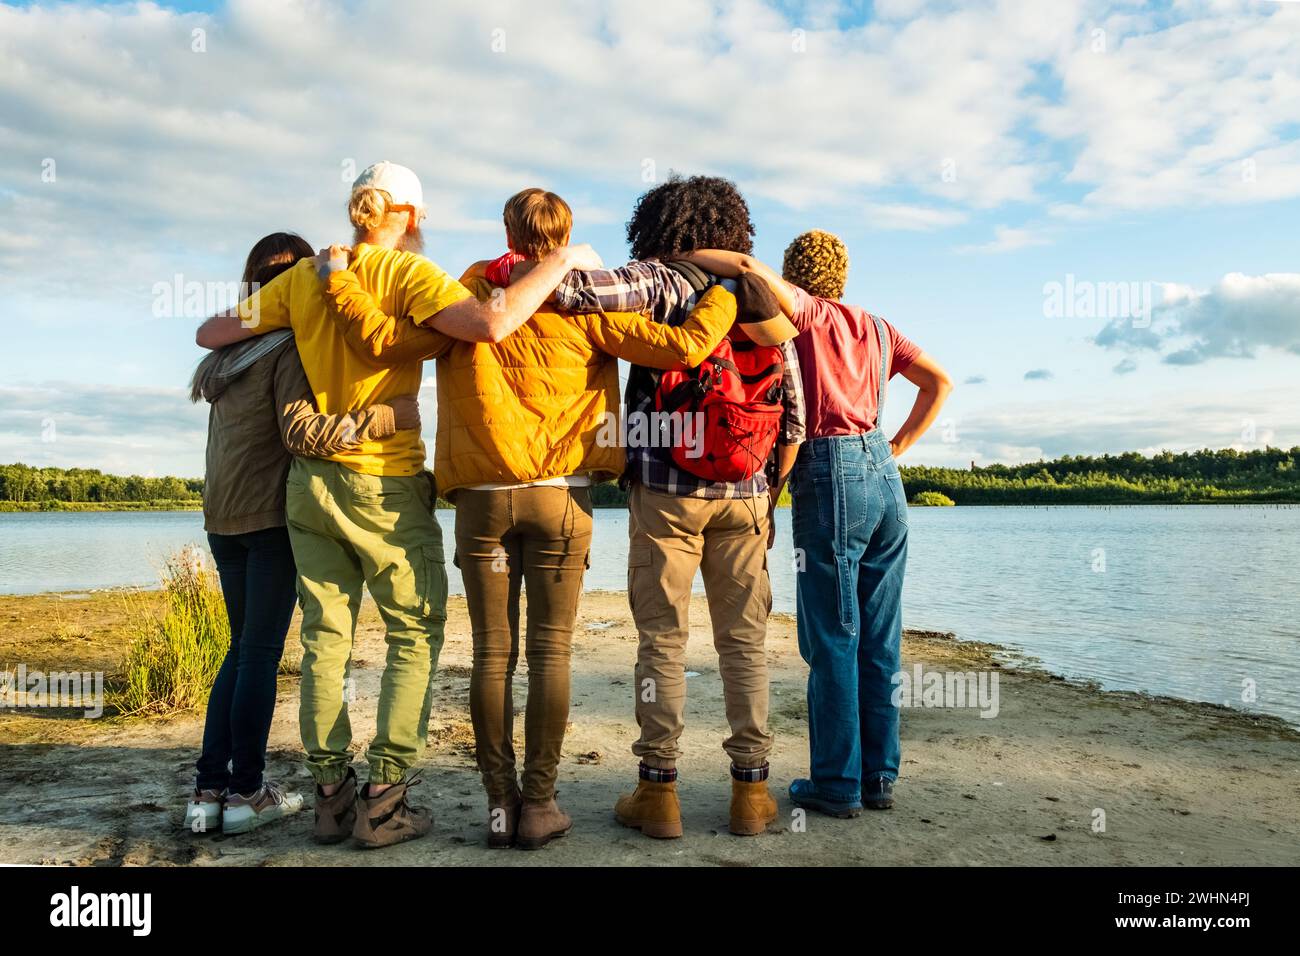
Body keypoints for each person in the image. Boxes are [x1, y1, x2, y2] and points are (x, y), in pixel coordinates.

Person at [314, 187, 783, 848]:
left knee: (491, 654)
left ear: (507, 231)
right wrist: (727, 290)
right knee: (551, 651)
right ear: (563, 237)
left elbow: (385, 339)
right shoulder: (582, 301)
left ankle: (500, 807)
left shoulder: (465, 300)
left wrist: (342, 285)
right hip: (562, 495)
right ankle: (540, 806)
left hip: (481, 495)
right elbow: (681, 349)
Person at [194, 163, 603, 848]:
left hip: (307, 487)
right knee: (413, 634)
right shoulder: (412, 277)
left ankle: (329, 801)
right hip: (383, 482)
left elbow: (210, 333)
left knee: (326, 640)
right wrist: (560, 260)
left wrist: (302, 319)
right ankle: (384, 801)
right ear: (409, 216)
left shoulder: (301, 279)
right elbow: (493, 322)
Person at [548, 174, 804, 838]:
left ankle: (657, 792)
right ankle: (752, 794)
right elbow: (796, 419)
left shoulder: (665, 281)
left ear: (661, 230)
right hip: (748, 494)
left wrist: (575, 258)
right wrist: (768, 499)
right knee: (744, 643)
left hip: (665, 488)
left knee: (662, 638)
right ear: (738, 232)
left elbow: (568, 292)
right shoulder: (762, 300)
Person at [682, 229, 953, 816]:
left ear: (793, 275)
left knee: (832, 635)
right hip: (882, 471)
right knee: (880, 634)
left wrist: (674, 256)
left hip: (829, 472)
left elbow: (744, 263)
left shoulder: (804, 310)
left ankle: (836, 782)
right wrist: (897, 446)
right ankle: (878, 776)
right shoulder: (877, 327)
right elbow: (939, 382)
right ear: (845, 274)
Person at [183, 232, 421, 835]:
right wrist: (385, 417)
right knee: (258, 654)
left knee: (238, 651)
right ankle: (244, 792)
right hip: (265, 521)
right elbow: (300, 435)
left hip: (221, 520)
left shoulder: (225, 358)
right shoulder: (286, 348)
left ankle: (209, 790)